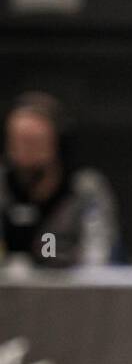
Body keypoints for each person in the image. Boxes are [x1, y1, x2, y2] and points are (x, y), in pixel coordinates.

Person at [1, 92, 119, 267]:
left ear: (58, 142)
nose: (25, 152)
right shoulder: (3, 185)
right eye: (17, 142)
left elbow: (98, 255)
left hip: (69, 279)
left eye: (34, 142)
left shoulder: (85, 188)